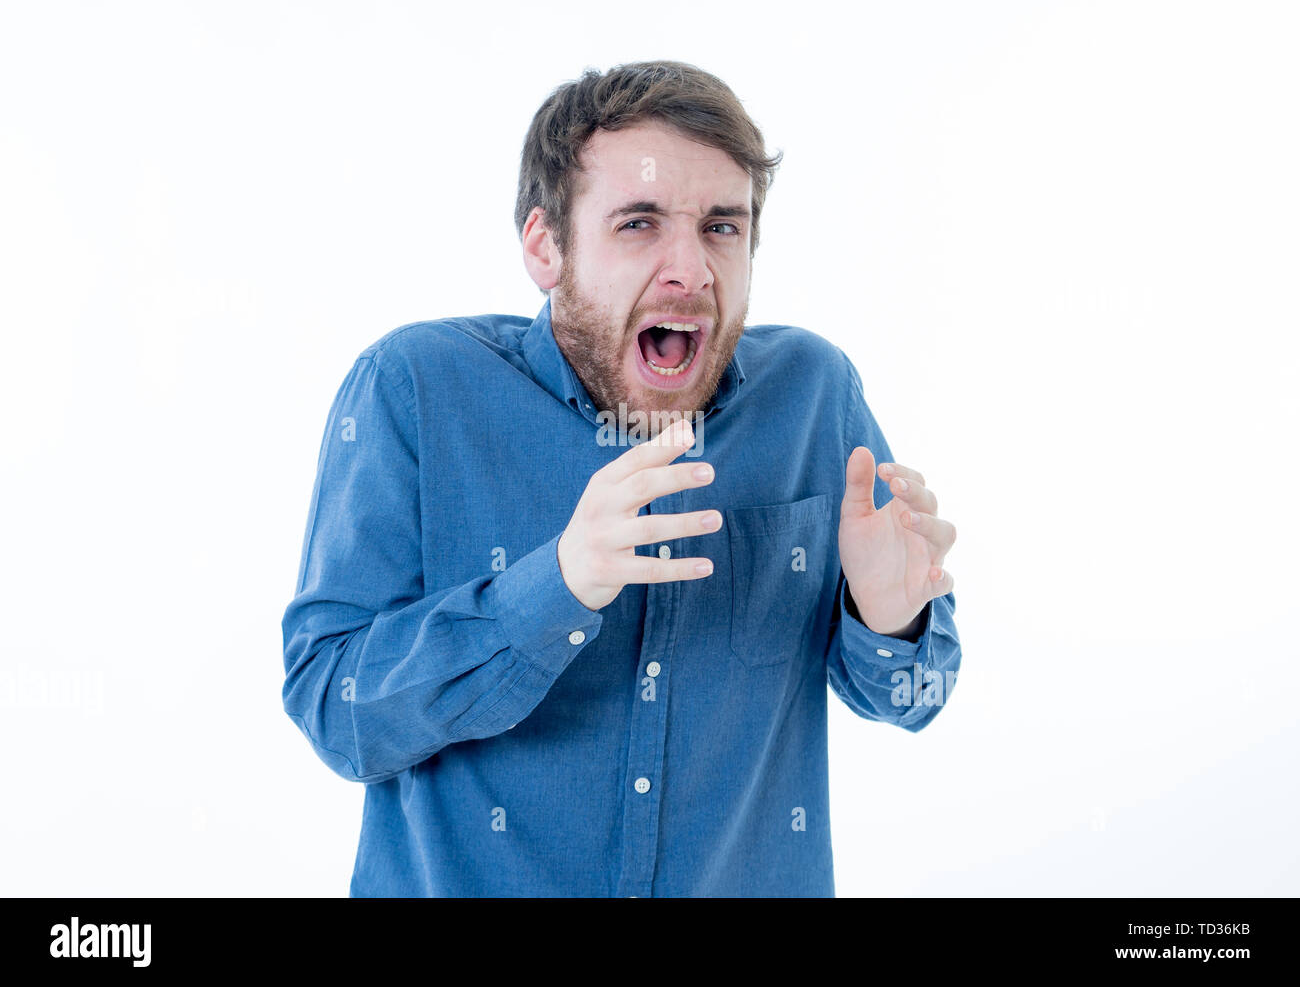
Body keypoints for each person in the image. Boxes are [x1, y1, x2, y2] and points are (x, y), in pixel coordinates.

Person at [281, 60, 961, 898]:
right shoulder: (415, 388)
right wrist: (554, 586)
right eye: (639, 224)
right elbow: (335, 710)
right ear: (545, 245)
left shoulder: (814, 397)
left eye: (722, 227)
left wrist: (890, 621)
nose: (692, 270)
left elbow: (914, 696)